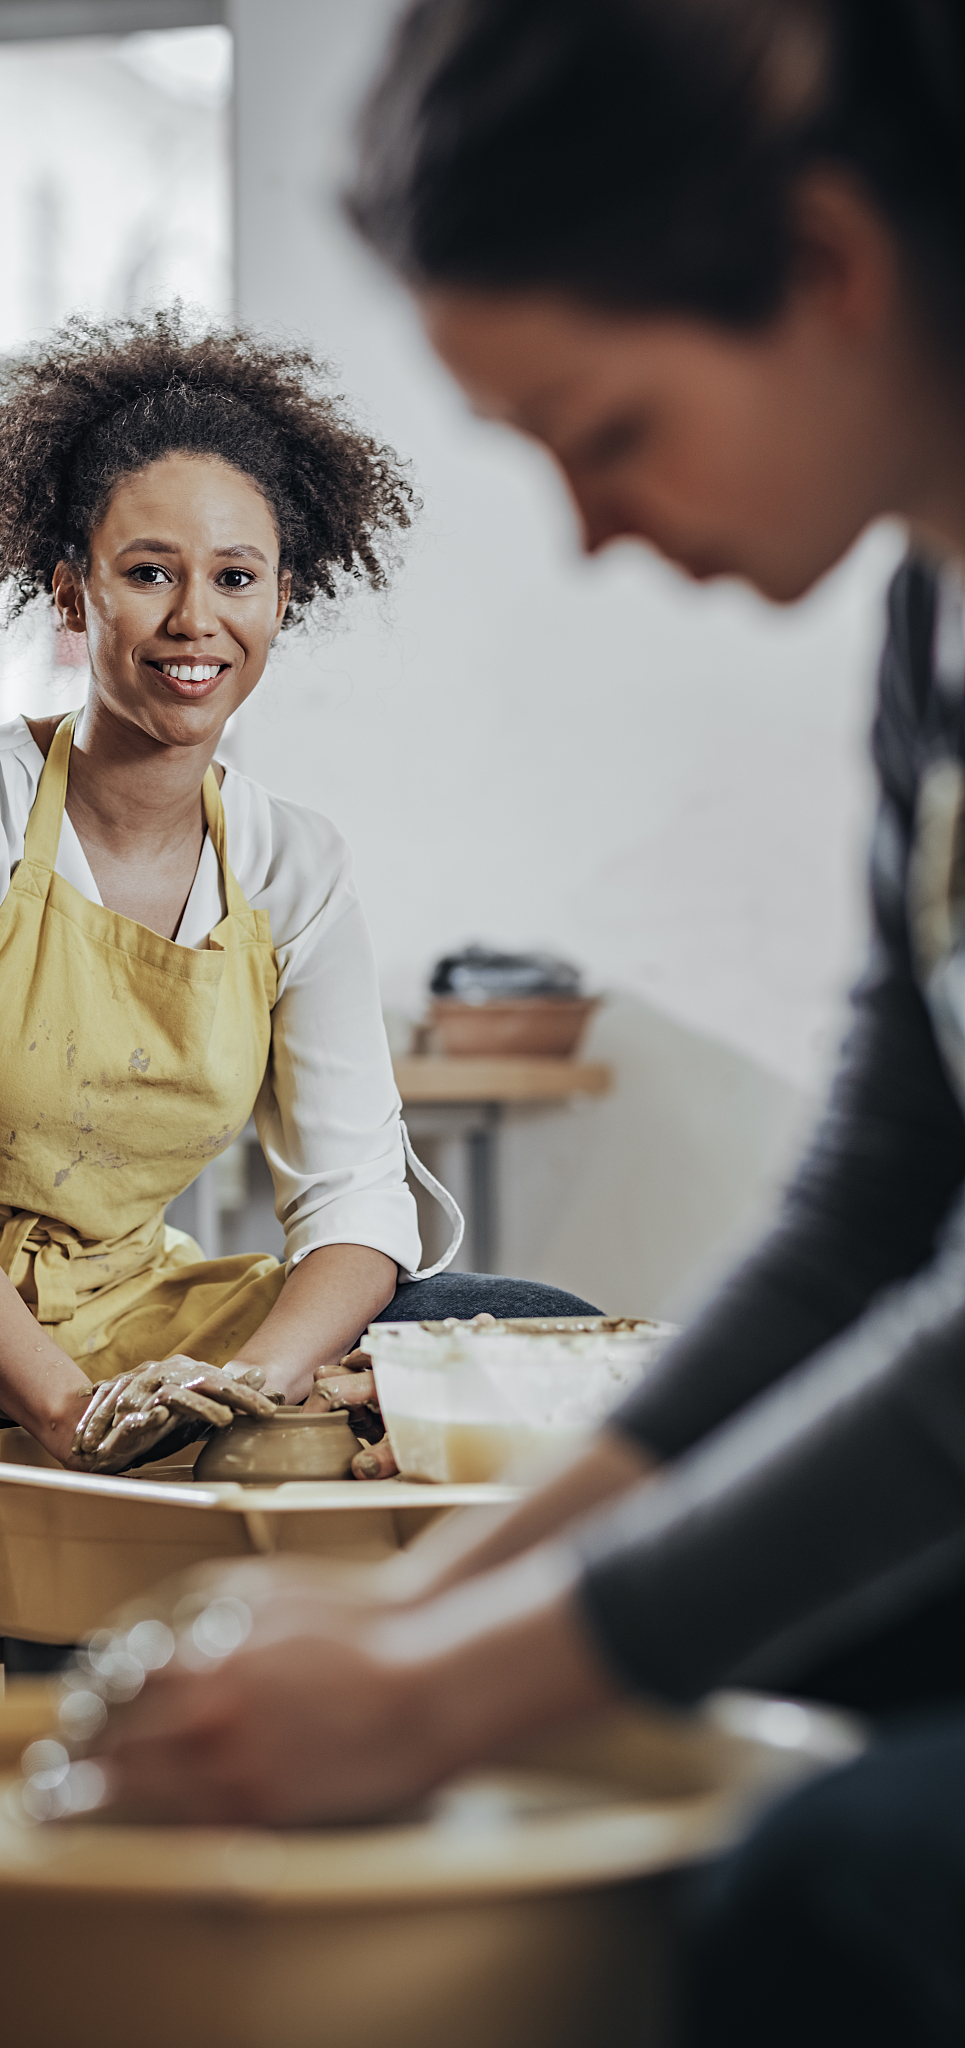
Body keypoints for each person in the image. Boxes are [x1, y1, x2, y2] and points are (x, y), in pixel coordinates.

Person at [87, 6, 965, 2040]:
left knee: (820, 1888)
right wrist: (410, 1607)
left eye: (606, 427)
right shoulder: (934, 609)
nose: (584, 527)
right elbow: (864, 1213)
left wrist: (448, 1683)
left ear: (825, 273)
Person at [0, 310, 591, 1687]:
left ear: (287, 597)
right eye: (147, 573)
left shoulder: (294, 861)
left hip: (127, 1324)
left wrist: (252, 1391)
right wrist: (73, 1412)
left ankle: (384, 1711)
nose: (194, 620)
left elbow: (356, 1211)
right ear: (70, 593)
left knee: (534, 1333)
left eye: (236, 576)